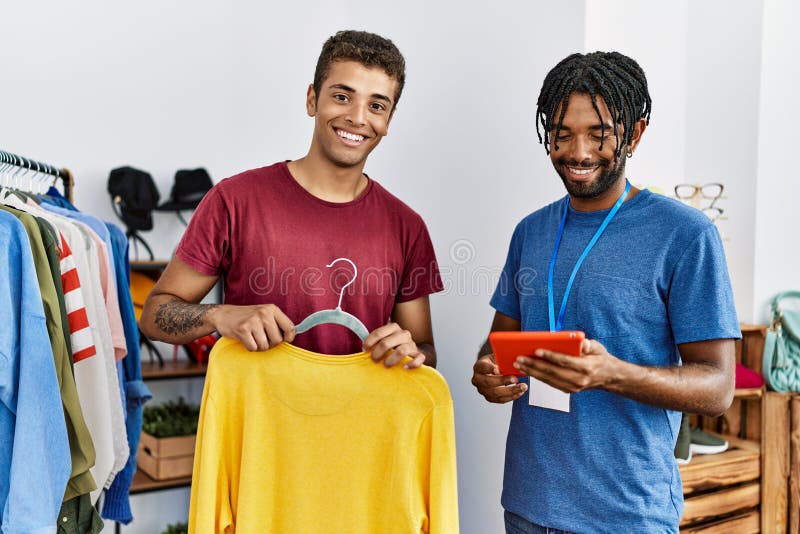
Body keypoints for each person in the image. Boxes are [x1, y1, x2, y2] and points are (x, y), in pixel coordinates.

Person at [471, 51, 739, 533]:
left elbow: (718, 388)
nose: (579, 151)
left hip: (627, 514)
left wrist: (611, 373)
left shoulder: (685, 235)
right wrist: (489, 373)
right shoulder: (529, 232)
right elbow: (497, 345)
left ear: (633, 134)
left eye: (599, 133)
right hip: (527, 508)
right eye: (562, 133)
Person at [140, 30, 442, 368]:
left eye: (376, 105)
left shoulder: (407, 227)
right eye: (342, 97)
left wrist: (413, 352)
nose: (357, 118)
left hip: (362, 418)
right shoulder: (234, 200)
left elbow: (425, 353)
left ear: (388, 120)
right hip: (257, 418)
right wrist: (220, 315)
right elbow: (154, 315)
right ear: (312, 99)